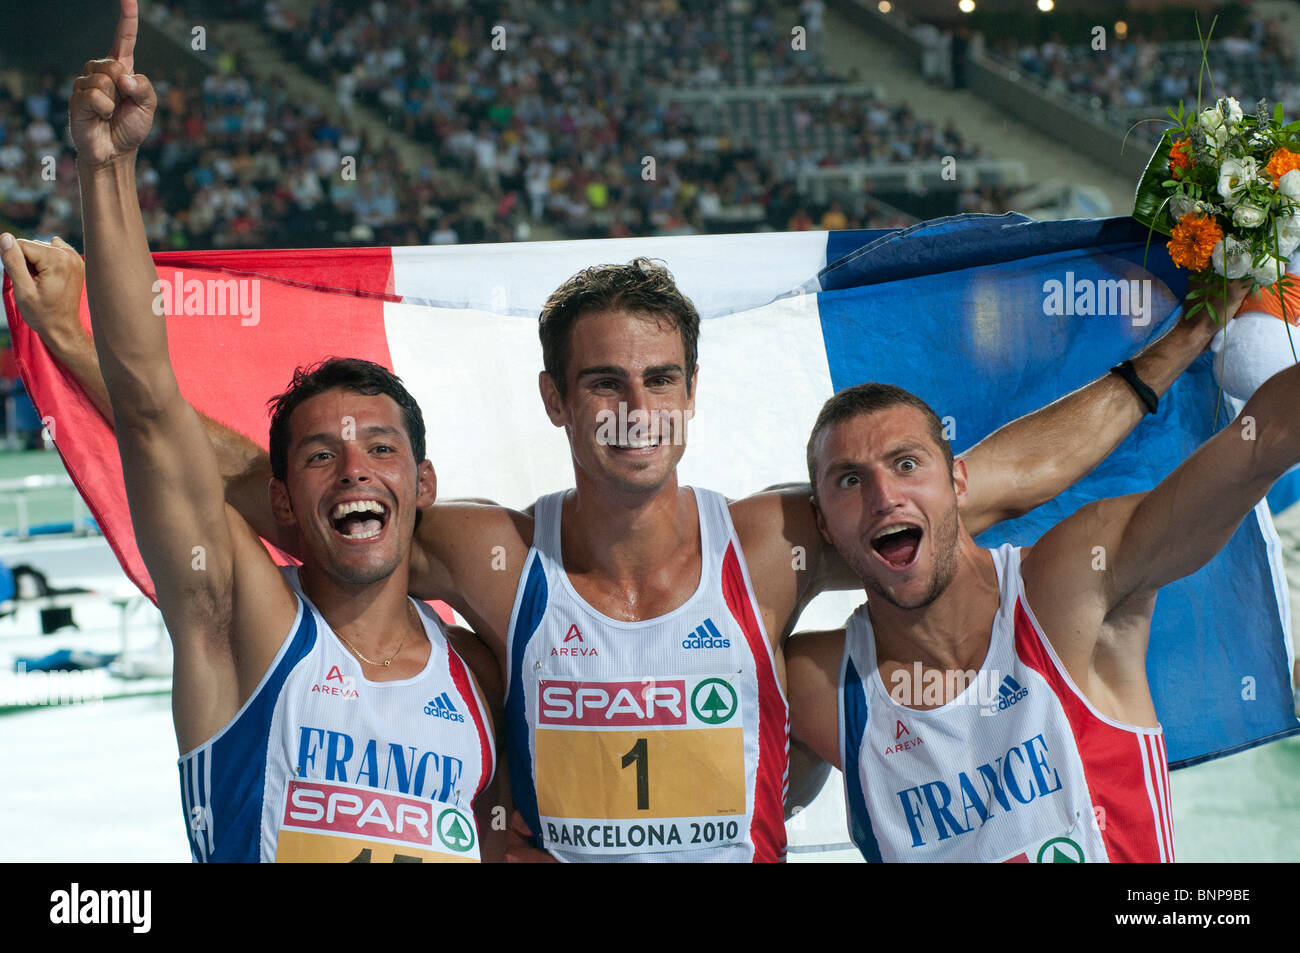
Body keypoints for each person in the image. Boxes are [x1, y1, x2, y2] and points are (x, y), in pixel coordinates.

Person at [7, 7, 1242, 866]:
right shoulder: (495, 561)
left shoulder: (764, 546)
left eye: (656, 377)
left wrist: (1166, 355)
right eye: (601, 382)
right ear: (557, 401)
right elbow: (278, 481)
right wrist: (97, 360)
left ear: (691, 397)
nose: (631, 405)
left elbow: (997, 480)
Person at [10, 0, 502, 863]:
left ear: (422, 484)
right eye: (322, 454)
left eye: (380, 448)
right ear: (279, 498)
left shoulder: (481, 682)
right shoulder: (235, 619)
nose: (355, 470)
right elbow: (153, 408)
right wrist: (109, 169)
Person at [784, 354, 1294, 861]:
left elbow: (1261, 442)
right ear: (822, 525)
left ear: (959, 483)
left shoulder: (1072, 583)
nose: (883, 496)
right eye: (849, 480)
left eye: (907, 464)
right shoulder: (814, 686)